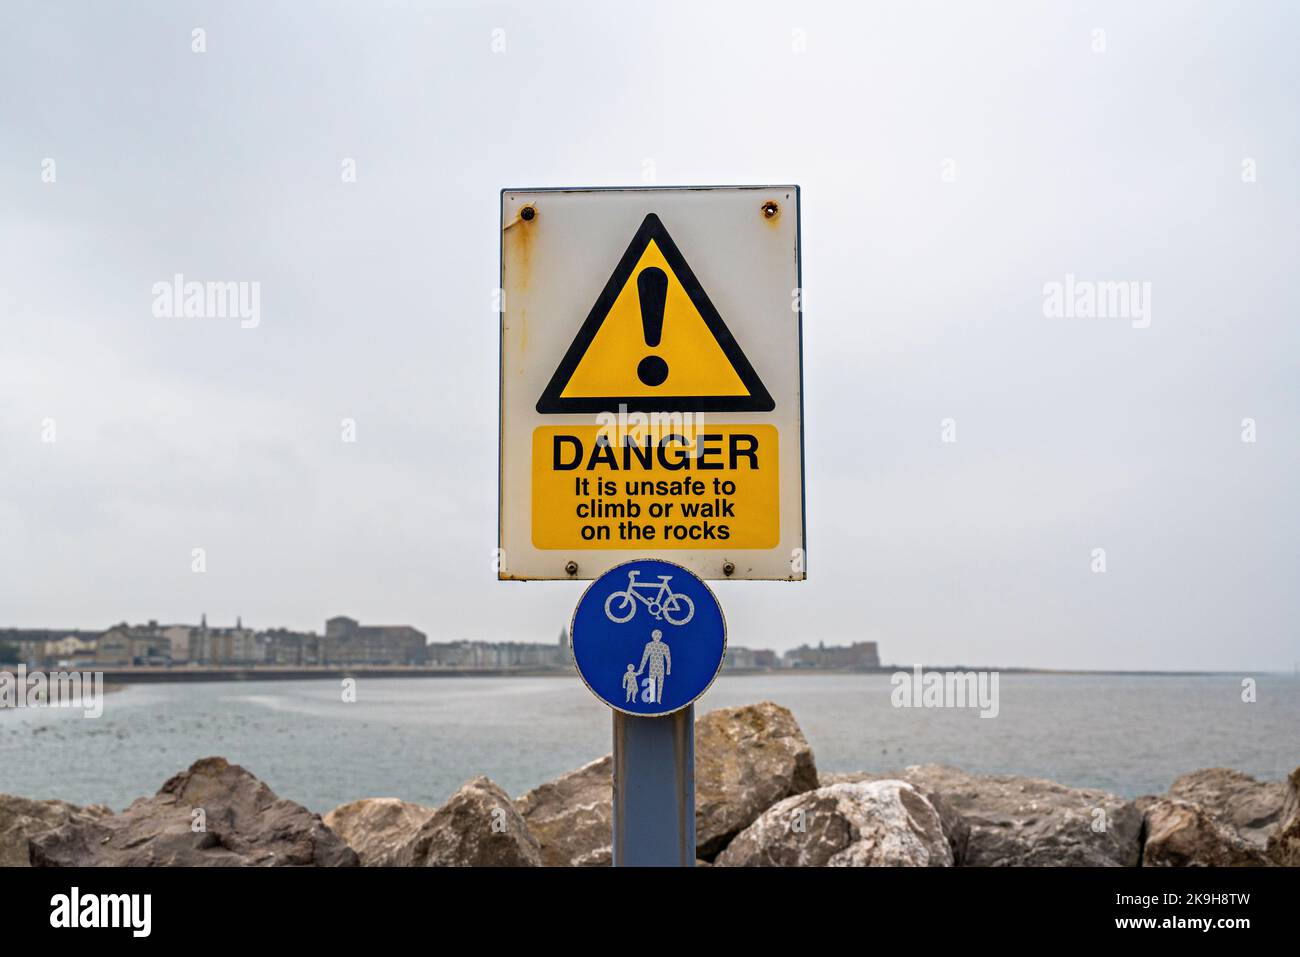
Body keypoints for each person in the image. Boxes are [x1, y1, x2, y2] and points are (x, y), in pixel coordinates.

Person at [635, 629, 671, 704]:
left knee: (660, 683)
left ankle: (659, 700)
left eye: (658, 635)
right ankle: (651, 699)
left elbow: (668, 658)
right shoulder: (649, 645)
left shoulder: (664, 646)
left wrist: (668, 669)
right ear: (652, 636)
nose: (657, 637)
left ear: (660, 636)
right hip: (652, 667)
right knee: (652, 683)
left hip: (661, 667)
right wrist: (641, 668)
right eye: (655, 635)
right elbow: (645, 658)